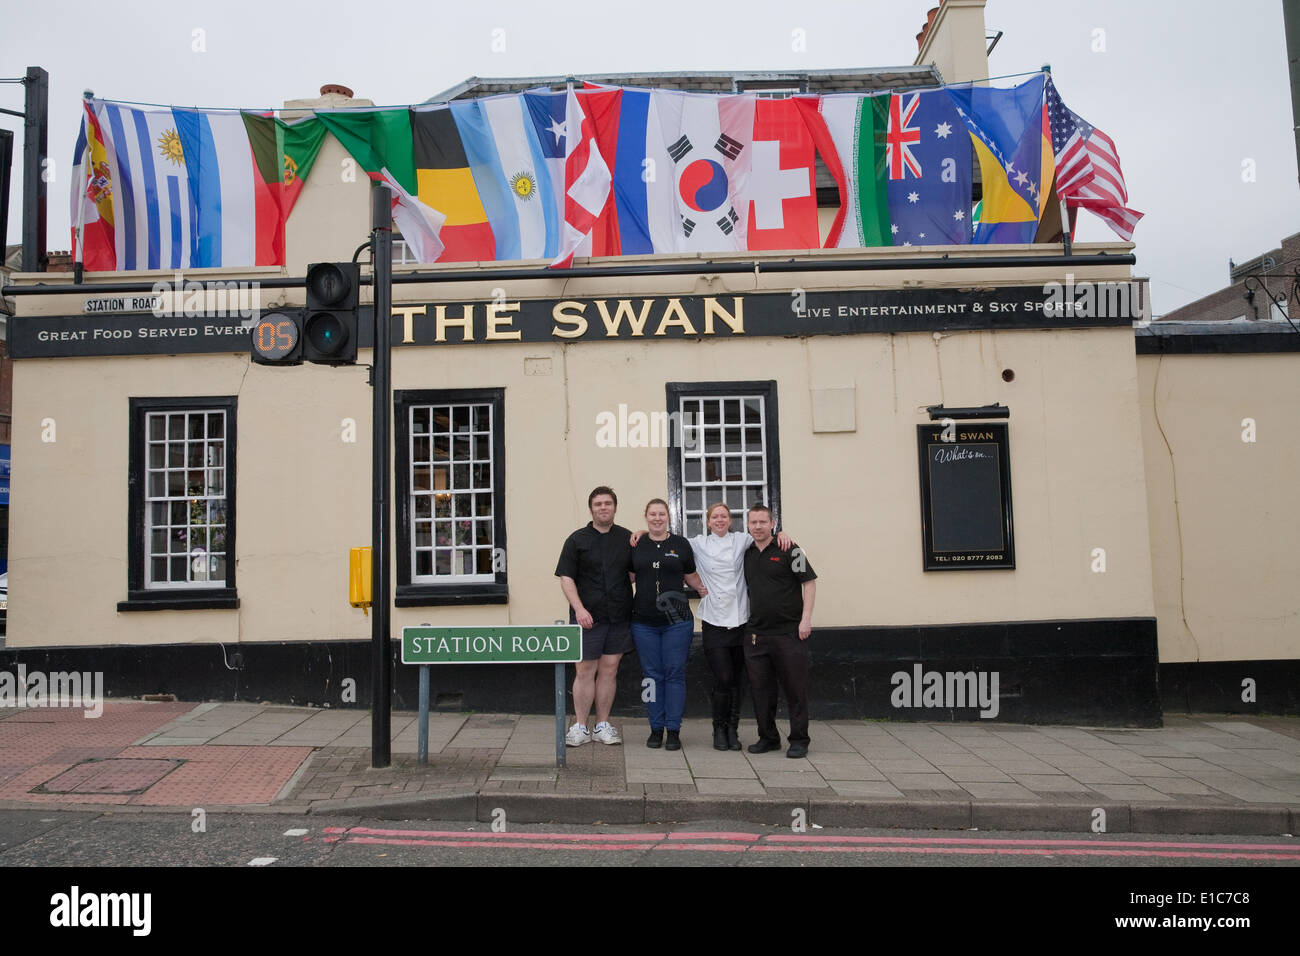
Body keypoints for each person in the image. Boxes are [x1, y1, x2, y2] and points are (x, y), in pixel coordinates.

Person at [687, 502, 792, 752]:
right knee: (723, 677)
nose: (720, 520)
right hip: (714, 620)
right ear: (708, 521)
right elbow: (668, 542)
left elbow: (764, 534)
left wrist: (782, 534)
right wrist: (643, 533)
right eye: (715, 517)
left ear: (731, 521)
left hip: (742, 620)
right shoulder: (699, 543)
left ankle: (732, 730)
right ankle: (718, 728)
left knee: (738, 679)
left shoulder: (742, 540)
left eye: (724, 516)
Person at [555, 486, 633, 747]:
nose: (603, 508)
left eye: (608, 503)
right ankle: (579, 726)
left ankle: (602, 725)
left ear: (614, 507)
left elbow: (634, 573)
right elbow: (566, 579)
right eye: (598, 504)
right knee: (585, 671)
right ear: (591, 509)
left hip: (619, 617)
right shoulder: (576, 540)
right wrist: (579, 609)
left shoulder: (627, 538)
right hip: (587, 618)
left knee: (609, 671)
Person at [629, 499, 706, 751]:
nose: (658, 518)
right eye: (653, 514)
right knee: (651, 676)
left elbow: (691, 575)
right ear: (646, 517)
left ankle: (673, 730)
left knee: (674, 674)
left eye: (662, 514)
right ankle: (655, 728)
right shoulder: (636, 544)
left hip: (677, 622)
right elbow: (627, 577)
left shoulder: (681, 544)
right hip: (643, 622)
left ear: (668, 516)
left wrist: (704, 589)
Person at [743, 503, 817, 758]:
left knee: (795, 689)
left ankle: (799, 739)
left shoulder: (789, 549)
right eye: (753, 522)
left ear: (772, 524)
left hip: (789, 633)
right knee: (761, 691)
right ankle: (768, 738)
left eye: (763, 522)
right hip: (756, 635)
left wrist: (805, 620)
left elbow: (809, 583)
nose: (758, 526)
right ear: (748, 525)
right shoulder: (747, 552)